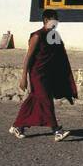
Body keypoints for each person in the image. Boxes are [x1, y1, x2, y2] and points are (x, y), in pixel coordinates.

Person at [9, 9, 75, 141]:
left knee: (34, 100)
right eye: (53, 20)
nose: (56, 23)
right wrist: (23, 78)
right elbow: (28, 57)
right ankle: (56, 130)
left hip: (48, 74)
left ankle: (18, 126)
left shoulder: (54, 36)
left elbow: (59, 55)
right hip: (37, 74)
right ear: (46, 20)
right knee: (46, 101)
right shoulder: (37, 36)